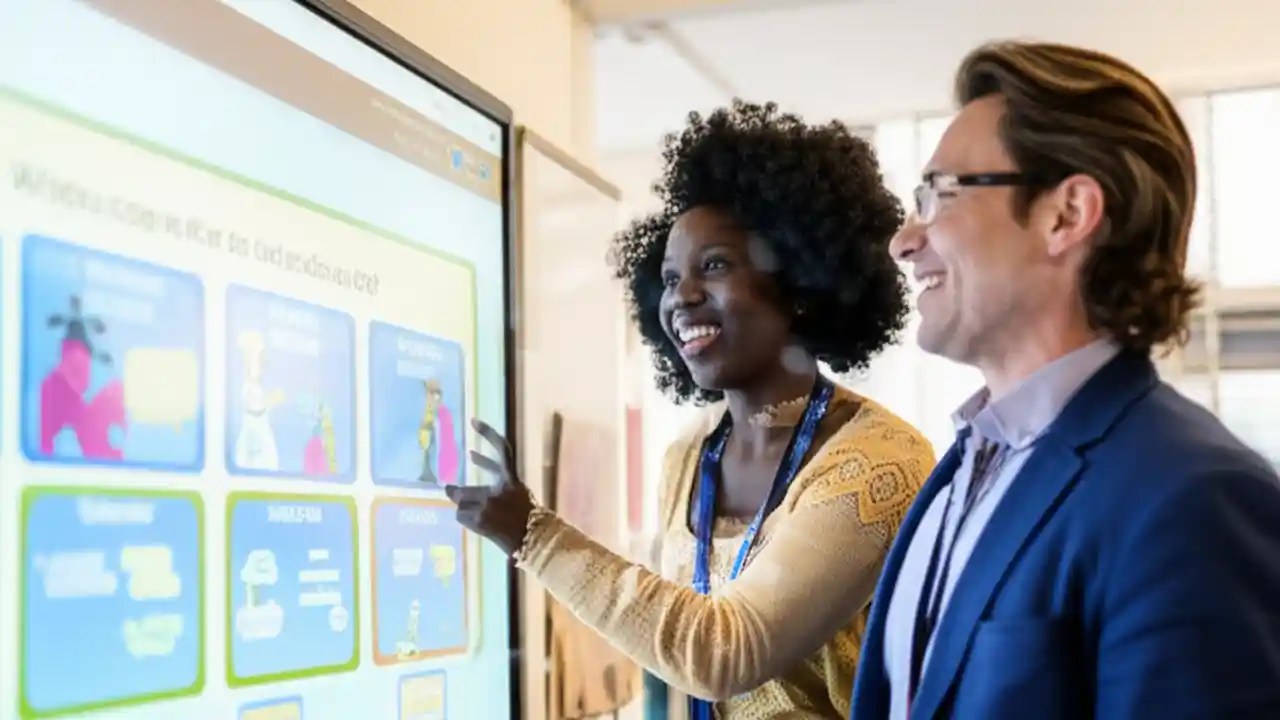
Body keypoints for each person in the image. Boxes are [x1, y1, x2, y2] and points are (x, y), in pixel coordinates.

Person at [448, 100, 935, 718]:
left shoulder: (881, 464)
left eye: (714, 266)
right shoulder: (688, 457)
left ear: (802, 283)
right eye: (671, 276)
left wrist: (533, 535)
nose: (683, 298)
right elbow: (676, 658)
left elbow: (723, 653)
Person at [849, 41, 1280, 720]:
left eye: (940, 194)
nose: (905, 240)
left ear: (1066, 215)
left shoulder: (1194, 497)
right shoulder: (958, 473)